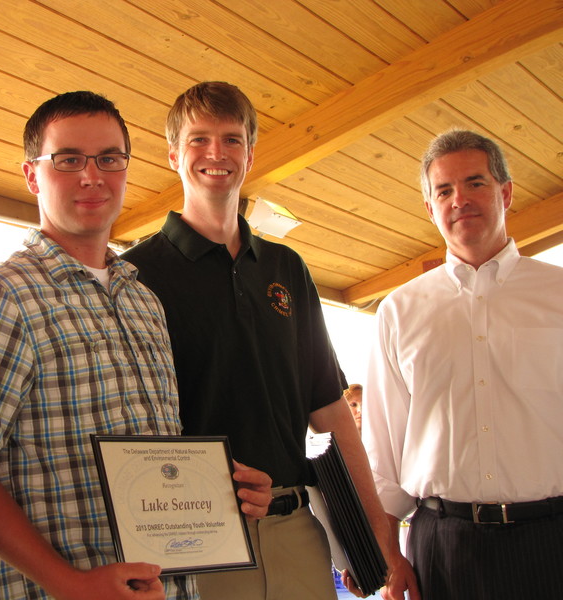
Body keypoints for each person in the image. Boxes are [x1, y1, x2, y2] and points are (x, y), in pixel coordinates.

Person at [0, 91, 271, 600]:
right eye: (69, 159)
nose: (92, 176)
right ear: (32, 175)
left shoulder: (144, 302)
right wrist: (70, 584)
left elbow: (157, 459)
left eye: (109, 159)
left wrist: (219, 491)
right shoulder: (0, 298)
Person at [122, 81, 390, 600]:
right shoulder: (135, 274)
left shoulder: (286, 267)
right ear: (173, 154)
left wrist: (373, 529)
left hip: (298, 528)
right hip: (197, 535)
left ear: (250, 152)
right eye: (199, 140)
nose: (216, 154)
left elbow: (331, 411)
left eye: (232, 139)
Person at [364, 129, 563, 600]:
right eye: (444, 190)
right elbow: (383, 446)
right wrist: (389, 558)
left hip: (552, 538)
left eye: (475, 183)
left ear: (506, 192)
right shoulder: (399, 309)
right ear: (430, 208)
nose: (460, 200)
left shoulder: (558, 295)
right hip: (443, 546)